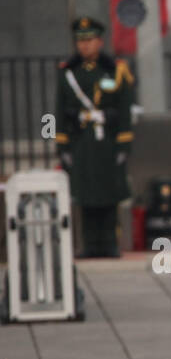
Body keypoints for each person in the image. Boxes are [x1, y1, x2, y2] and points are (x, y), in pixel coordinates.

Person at [55, 17, 136, 258]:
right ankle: (89, 244)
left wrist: (124, 142)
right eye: (80, 41)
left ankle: (110, 242)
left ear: (100, 41)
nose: (85, 46)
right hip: (81, 140)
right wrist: (61, 144)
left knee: (109, 192)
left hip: (108, 140)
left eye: (89, 40)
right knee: (85, 192)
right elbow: (58, 109)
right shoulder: (68, 72)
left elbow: (124, 108)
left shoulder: (115, 69)